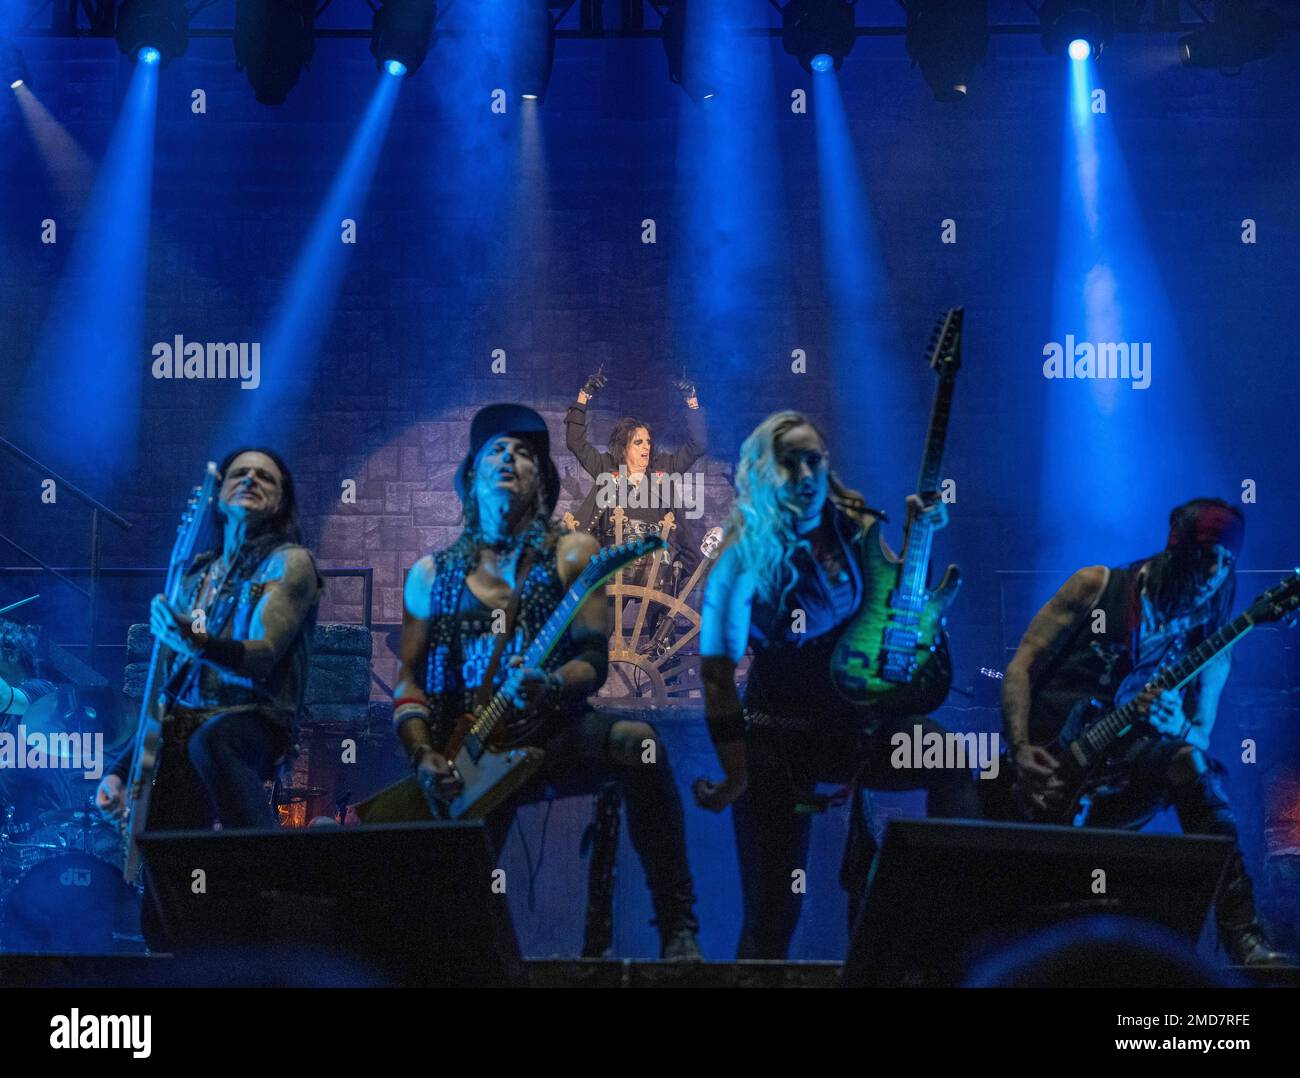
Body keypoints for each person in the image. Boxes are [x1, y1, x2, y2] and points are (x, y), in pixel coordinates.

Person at [391, 403, 702, 960]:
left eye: (525, 452)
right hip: (466, 754)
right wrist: (422, 755)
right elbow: (409, 683)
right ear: (471, 476)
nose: (510, 456)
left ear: (544, 479)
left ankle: (678, 926)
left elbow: (593, 660)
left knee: (642, 746)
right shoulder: (430, 576)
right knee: (447, 926)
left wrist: (553, 684)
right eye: (496, 449)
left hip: (551, 732)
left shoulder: (573, 553)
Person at [694, 410, 979, 959]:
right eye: (788, 461)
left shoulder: (855, 528)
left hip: (857, 729)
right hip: (778, 739)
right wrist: (735, 772)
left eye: (813, 459)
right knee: (773, 914)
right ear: (761, 473)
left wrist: (920, 537)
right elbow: (714, 673)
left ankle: (958, 910)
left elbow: (895, 609)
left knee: (947, 755)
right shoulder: (741, 558)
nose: (804, 473)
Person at [1001, 497, 1286, 965]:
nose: (1213, 573)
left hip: (1121, 776)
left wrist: (1177, 725)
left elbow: (1199, 738)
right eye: (1204, 558)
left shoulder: (1213, 646)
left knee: (1189, 762)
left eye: (1225, 563)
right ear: (1175, 552)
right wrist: (1019, 748)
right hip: (1050, 764)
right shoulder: (1097, 586)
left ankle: (1243, 936)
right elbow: (1019, 668)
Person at [97, 447, 323, 838]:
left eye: (265, 476)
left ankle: (270, 865)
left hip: (255, 718)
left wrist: (196, 640)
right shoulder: (198, 576)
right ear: (218, 497)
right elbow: (171, 690)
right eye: (240, 474)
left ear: (281, 498)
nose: (251, 479)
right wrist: (118, 771)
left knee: (214, 739)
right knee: (165, 830)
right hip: (188, 726)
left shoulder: (290, 562)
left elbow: (262, 655)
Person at [564, 365, 708, 581]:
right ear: (624, 448)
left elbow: (698, 444)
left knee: (658, 607)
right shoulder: (606, 467)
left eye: (648, 442)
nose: (646, 447)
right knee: (609, 611)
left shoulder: (664, 467)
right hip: (615, 560)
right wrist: (584, 396)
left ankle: (658, 615)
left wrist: (691, 401)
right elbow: (575, 442)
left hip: (655, 561)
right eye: (638, 442)